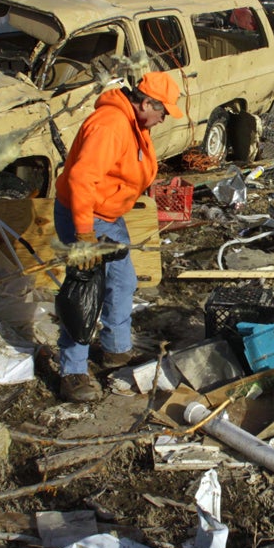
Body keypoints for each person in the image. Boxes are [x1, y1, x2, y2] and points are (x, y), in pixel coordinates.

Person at [53, 71, 184, 401]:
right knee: (84, 295)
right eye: (162, 112)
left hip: (108, 217)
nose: (162, 119)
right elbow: (81, 180)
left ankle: (115, 350)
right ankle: (72, 372)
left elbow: (129, 166)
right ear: (145, 102)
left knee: (123, 282)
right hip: (84, 217)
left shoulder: (134, 124)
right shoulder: (110, 124)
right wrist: (83, 235)